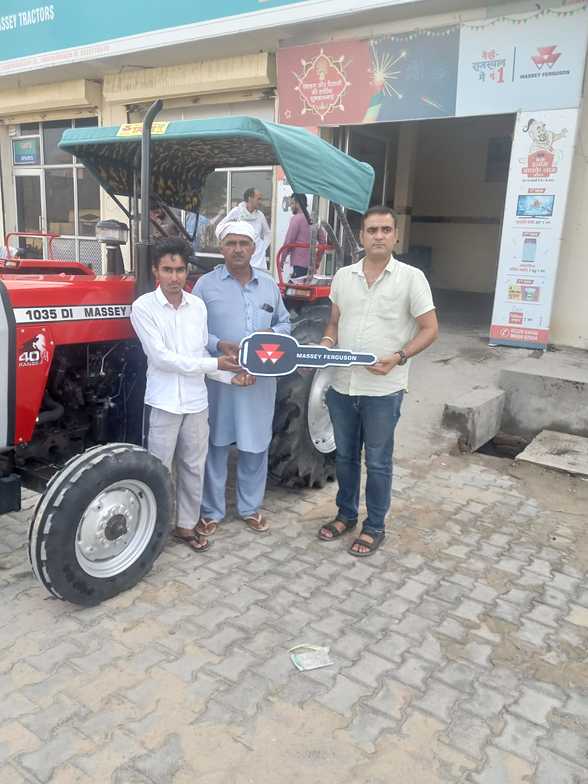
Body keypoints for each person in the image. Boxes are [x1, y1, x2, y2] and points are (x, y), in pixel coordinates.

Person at [317, 206, 438, 557]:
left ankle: (374, 527)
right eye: (372, 230)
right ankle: (345, 514)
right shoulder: (343, 276)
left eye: (386, 229)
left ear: (396, 235)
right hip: (343, 386)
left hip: (383, 390)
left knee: (379, 461)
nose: (379, 236)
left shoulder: (411, 278)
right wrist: (326, 345)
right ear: (362, 235)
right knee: (345, 458)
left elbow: (431, 329)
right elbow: (333, 323)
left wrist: (399, 357)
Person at [130, 237, 253, 553]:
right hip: (163, 402)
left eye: (180, 270)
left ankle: (185, 527)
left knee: (193, 467)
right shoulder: (143, 308)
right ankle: (151, 534)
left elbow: (198, 356)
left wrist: (229, 377)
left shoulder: (197, 307)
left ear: (187, 273)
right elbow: (162, 359)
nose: (174, 277)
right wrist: (215, 362)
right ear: (156, 270)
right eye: (167, 270)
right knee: (158, 469)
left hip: (197, 402)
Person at [193, 221, 290, 534]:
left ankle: (250, 507)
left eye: (244, 243)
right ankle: (211, 511)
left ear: (253, 248)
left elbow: (285, 324)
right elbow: (193, 330)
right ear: (221, 247)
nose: (237, 249)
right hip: (220, 379)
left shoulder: (268, 286)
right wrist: (218, 344)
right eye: (231, 243)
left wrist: (270, 335)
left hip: (259, 381)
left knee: (255, 444)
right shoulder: (205, 285)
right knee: (216, 443)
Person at [216, 188, 271, 270]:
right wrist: (228, 242)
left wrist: (262, 247)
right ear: (250, 198)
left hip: (258, 258)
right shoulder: (237, 212)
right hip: (241, 254)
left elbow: (268, 234)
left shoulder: (260, 215)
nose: (260, 202)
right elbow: (219, 228)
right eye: (258, 199)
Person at [282, 193, 320, 278]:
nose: (290, 207)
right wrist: (317, 261)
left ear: (298, 203)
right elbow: (323, 240)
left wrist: (282, 260)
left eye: (292, 203)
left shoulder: (296, 219)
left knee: (295, 288)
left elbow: (289, 240)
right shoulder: (314, 219)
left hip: (299, 265)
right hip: (311, 265)